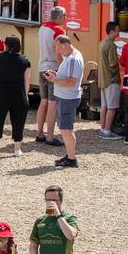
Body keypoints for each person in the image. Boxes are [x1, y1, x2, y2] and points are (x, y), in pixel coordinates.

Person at [0, 34, 31, 157]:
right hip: (19, 94)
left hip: (2, 93)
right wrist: (25, 95)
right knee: (18, 122)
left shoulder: (0, 57)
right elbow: (27, 80)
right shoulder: (24, 59)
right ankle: (17, 149)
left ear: (7, 45)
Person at [48, 34, 83, 168]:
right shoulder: (70, 57)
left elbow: (71, 82)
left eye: (59, 48)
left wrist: (54, 80)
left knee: (67, 129)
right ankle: (69, 155)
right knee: (64, 128)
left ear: (66, 45)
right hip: (65, 97)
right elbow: (68, 78)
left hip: (68, 98)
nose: (58, 51)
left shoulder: (74, 59)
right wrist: (56, 75)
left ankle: (72, 158)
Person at [35, 5, 67, 146]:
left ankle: (40, 133)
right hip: (53, 69)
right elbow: (59, 53)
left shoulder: (42, 28)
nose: (66, 19)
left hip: (42, 67)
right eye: (65, 16)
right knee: (53, 104)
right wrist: (64, 68)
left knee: (43, 102)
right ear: (59, 17)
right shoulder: (58, 30)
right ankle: (50, 136)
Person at [29, 185, 79, 254]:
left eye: (54, 200)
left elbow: (71, 235)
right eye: (48, 200)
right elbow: (33, 244)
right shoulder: (40, 221)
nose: (50, 203)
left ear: (61, 201)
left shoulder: (69, 218)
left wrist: (58, 215)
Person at [97, 21, 122, 139]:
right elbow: (112, 64)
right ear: (111, 31)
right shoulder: (111, 45)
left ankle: (102, 129)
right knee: (112, 107)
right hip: (111, 80)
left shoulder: (101, 43)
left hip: (102, 79)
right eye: (117, 30)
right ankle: (107, 131)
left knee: (104, 106)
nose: (119, 32)